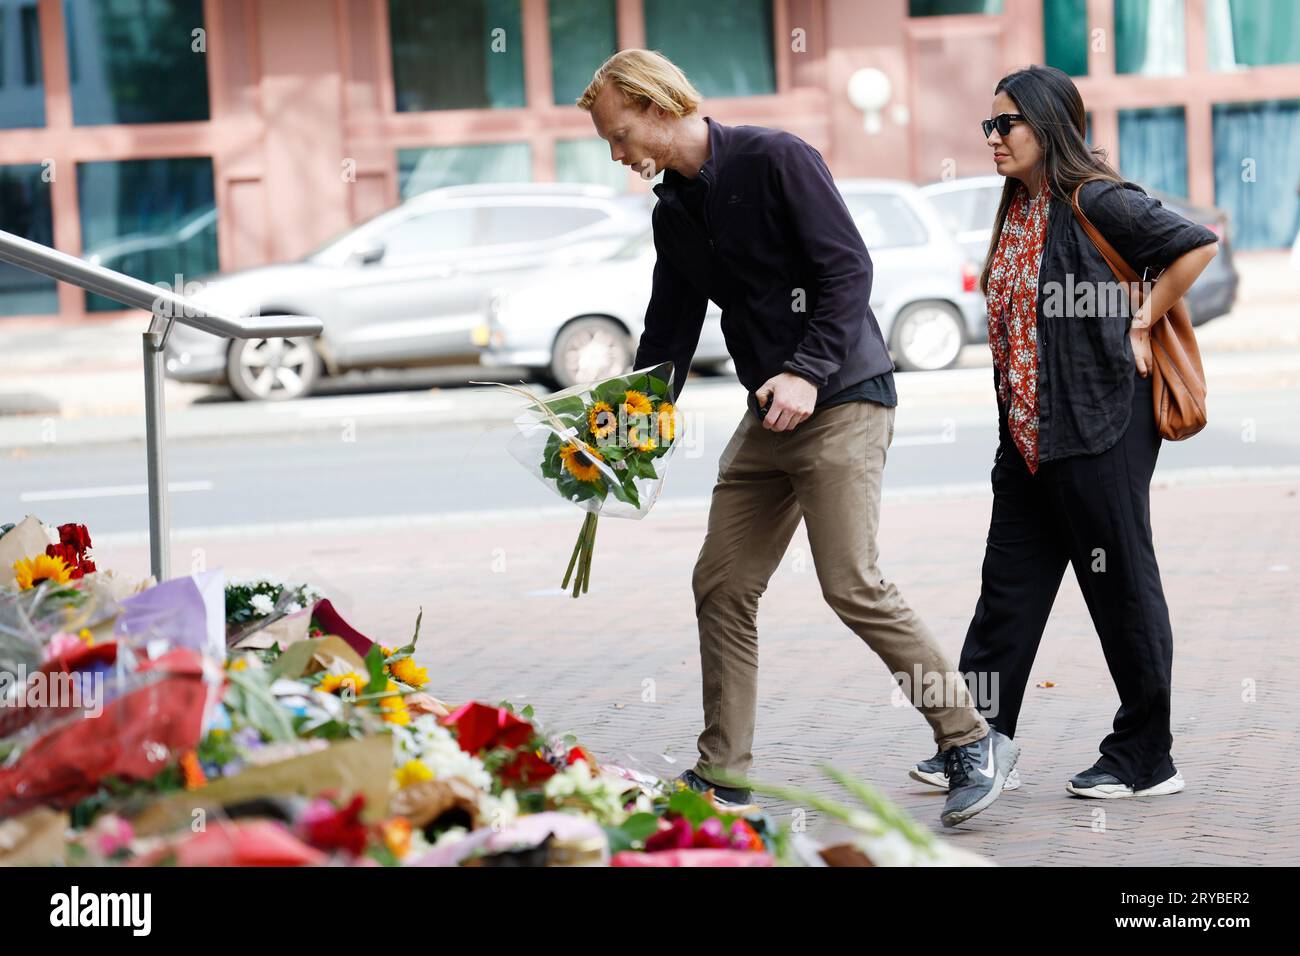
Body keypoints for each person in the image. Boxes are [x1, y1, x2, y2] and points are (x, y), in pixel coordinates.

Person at [578, 48, 1016, 827]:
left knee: (850, 581)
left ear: (654, 105)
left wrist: (809, 370)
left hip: (840, 394)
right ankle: (724, 775)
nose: (617, 154)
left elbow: (847, 270)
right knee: (722, 583)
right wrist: (626, 428)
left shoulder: (777, 158)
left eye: (618, 134)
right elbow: (669, 331)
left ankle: (970, 737)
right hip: (769, 412)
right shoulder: (673, 210)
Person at [909, 65, 1218, 800]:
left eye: (1005, 123)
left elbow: (1194, 244)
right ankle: (977, 740)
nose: (992, 138)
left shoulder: (1096, 199)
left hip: (1099, 425)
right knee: (1007, 591)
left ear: (1049, 125)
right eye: (988, 125)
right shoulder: (1017, 206)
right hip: (1026, 437)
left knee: (1121, 590)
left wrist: (1142, 316)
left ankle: (1147, 756)